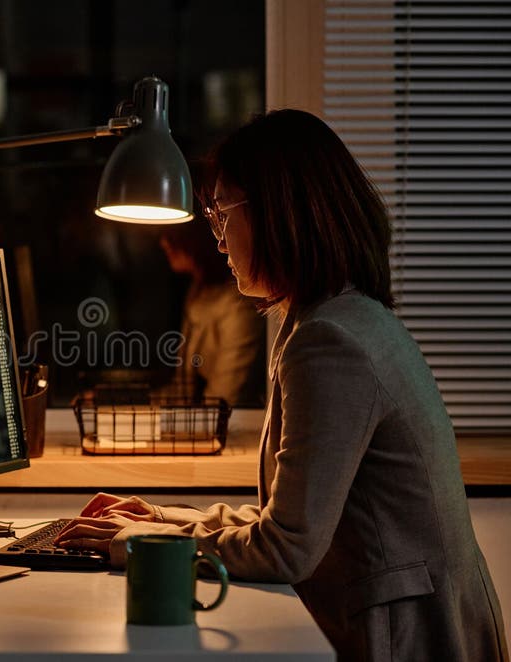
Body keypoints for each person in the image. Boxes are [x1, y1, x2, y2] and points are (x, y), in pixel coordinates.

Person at [54, 109, 508, 661]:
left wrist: (146, 546)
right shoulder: (334, 316)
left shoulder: (330, 344)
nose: (216, 237)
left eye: (222, 212)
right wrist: (167, 518)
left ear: (278, 212)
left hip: (407, 636)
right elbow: (293, 521)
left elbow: (286, 548)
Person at [159, 209, 265, 407]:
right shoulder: (198, 292)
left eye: (172, 235)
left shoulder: (239, 305)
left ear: (197, 238)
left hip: (235, 427)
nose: (163, 243)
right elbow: (184, 389)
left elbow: (224, 398)